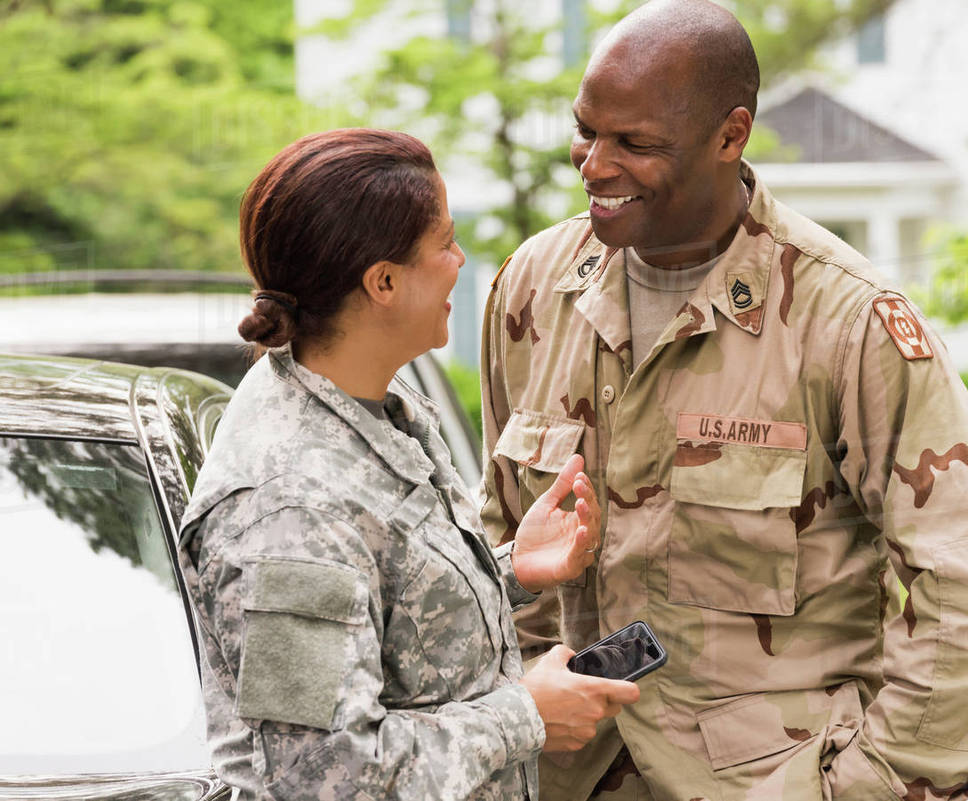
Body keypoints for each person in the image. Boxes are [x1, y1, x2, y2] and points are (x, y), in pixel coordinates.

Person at [480, 3, 968, 800]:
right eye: (586, 132)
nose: (594, 166)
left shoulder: (843, 317)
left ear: (729, 134)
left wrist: (872, 784)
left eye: (635, 143)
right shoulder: (532, 289)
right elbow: (499, 543)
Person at [176, 128, 639, 801]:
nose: (459, 261)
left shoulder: (371, 405)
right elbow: (321, 775)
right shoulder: (285, 506)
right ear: (384, 282)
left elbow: (381, 608)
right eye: (443, 244)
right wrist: (525, 715)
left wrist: (509, 568)